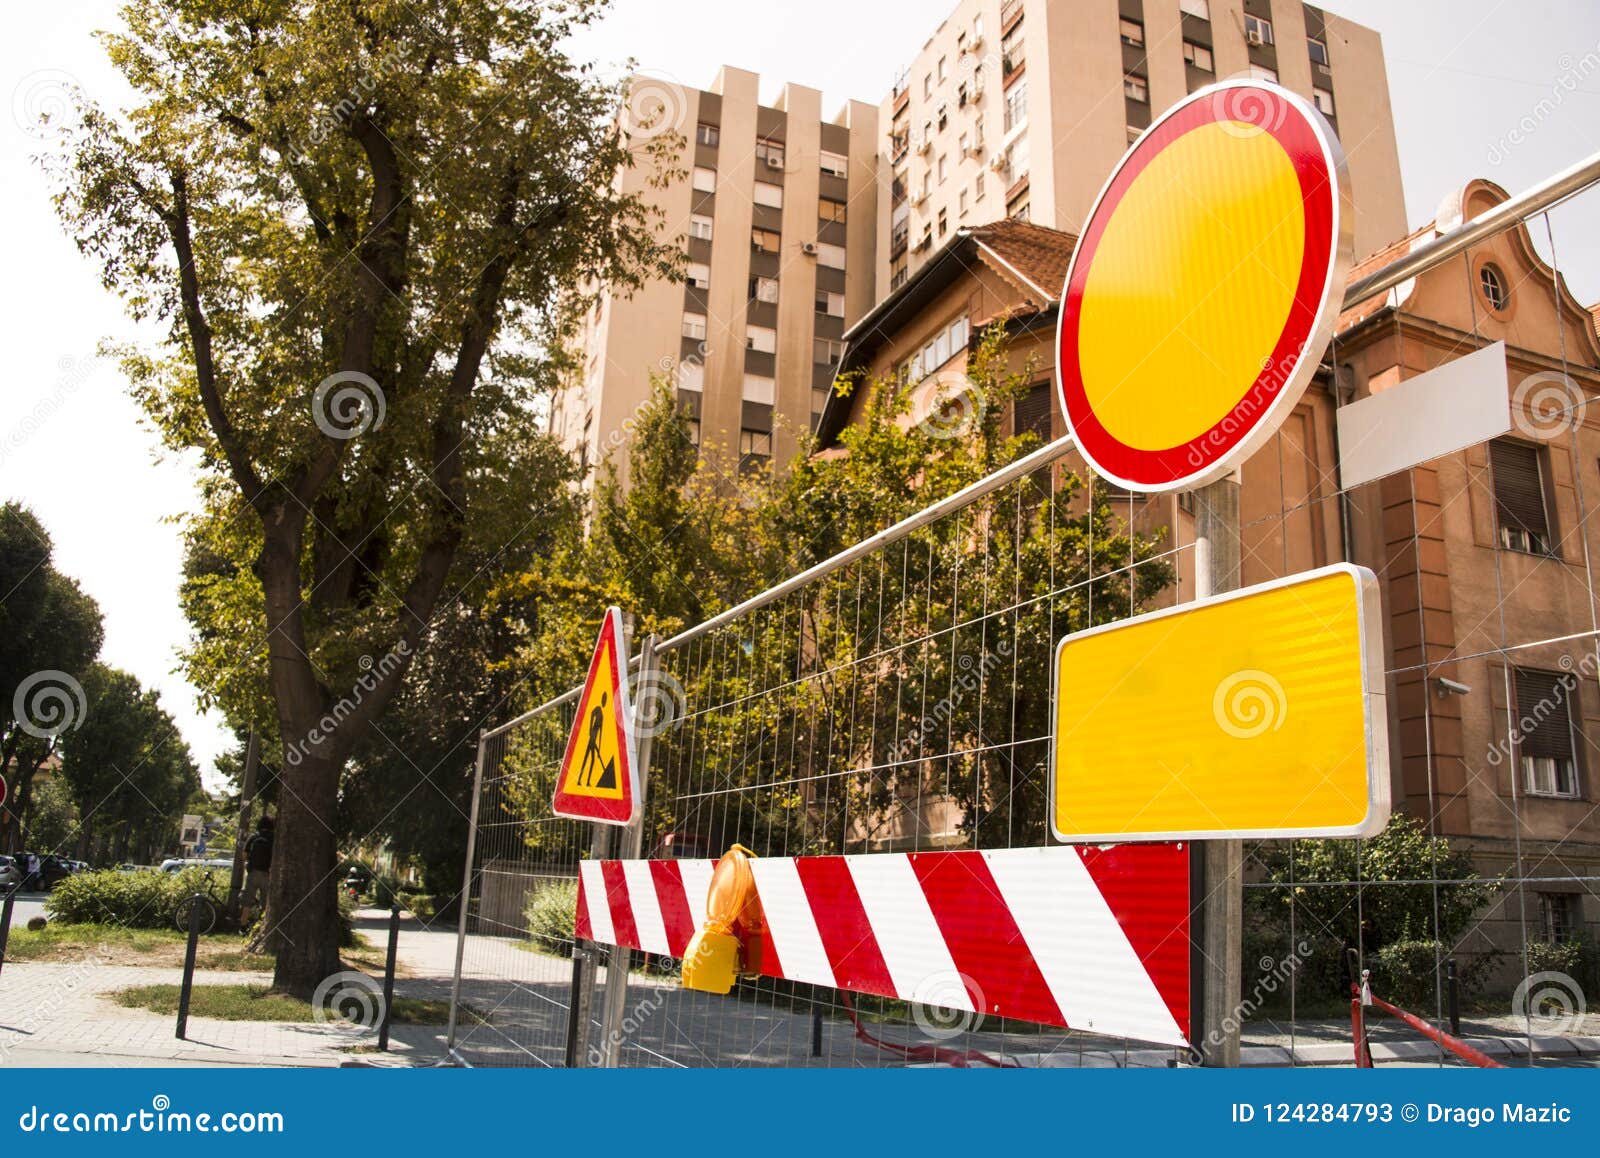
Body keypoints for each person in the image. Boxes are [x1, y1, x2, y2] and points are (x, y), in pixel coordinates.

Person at [239, 817, 274, 926]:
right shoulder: (273, 838)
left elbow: (244, 855)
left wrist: (250, 862)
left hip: (252, 873)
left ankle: (243, 926)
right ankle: (262, 926)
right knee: (265, 903)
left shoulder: (253, 837)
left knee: (247, 902)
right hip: (267, 874)